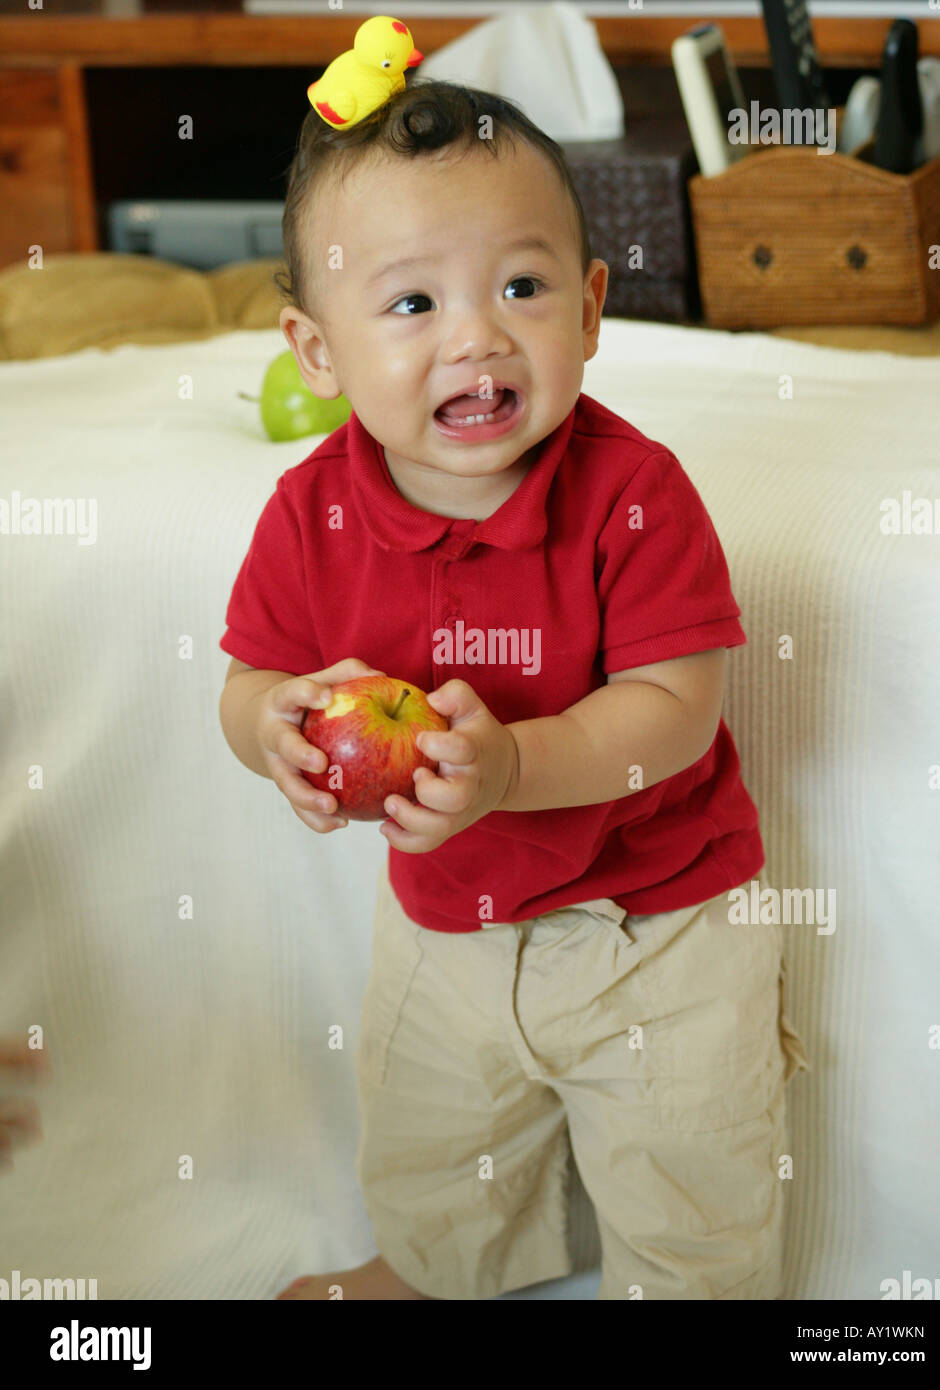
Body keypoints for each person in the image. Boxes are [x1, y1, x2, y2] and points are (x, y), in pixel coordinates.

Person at [218, 79, 809, 1301]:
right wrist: (266, 727)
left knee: (692, 1171)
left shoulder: (635, 494)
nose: (478, 335)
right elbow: (253, 675)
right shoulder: (309, 511)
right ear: (318, 351)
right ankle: (439, 1268)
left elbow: (674, 712)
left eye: (522, 288)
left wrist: (514, 771)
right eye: (414, 302)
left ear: (591, 310)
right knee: (438, 1147)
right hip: (445, 921)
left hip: (652, 924)